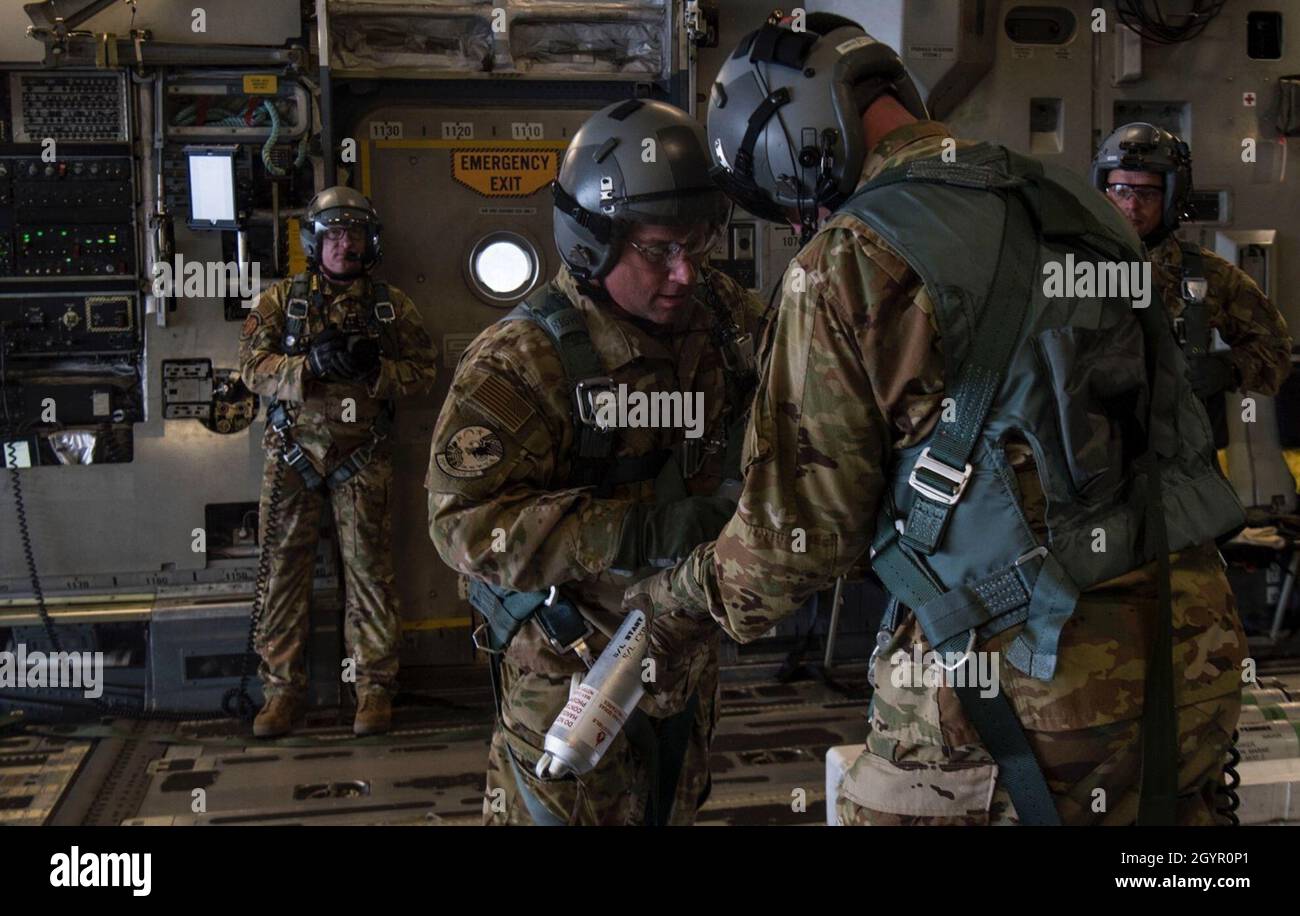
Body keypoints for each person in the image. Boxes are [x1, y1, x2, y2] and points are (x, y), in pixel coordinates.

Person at [629, 14, 1248, 825]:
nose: (794, 220)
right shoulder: (1078, 207)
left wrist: (670, 599)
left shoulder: (848, 258)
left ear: (790, 146)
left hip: (1031, 680)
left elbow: (793, 546)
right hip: (1193, 652)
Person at [427, 99, 763, 825]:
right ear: (593, 242)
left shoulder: (720, 317)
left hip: (683, 672)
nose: (683, 272)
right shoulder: (524, 362)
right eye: (658, 249)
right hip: (570, 685)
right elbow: (463, 528)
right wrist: (645, 532)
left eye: (697, 244)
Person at [238, 186, 437, 737]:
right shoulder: (282, 301)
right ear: (315, 241)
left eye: (352, 235)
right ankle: (281, 693)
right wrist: (306, 366)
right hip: (292, 454)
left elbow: (424, 371)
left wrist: (377, 371)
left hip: (361, 455)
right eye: (333, 235)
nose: (342, 245)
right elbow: (251, 368)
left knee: (371, 574)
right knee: (281, 575)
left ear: (367, 243)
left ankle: (373, 690)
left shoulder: (391, 306)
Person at [1092, 122, 1291, 448]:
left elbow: (1276, 350)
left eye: (1146, 193)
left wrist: (1229, 369)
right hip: (1094, 460)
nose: (1131, 205)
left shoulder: (1210, 275)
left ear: (1171, 196)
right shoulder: (1071, 269)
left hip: (1181, 461)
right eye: (1120, 191)